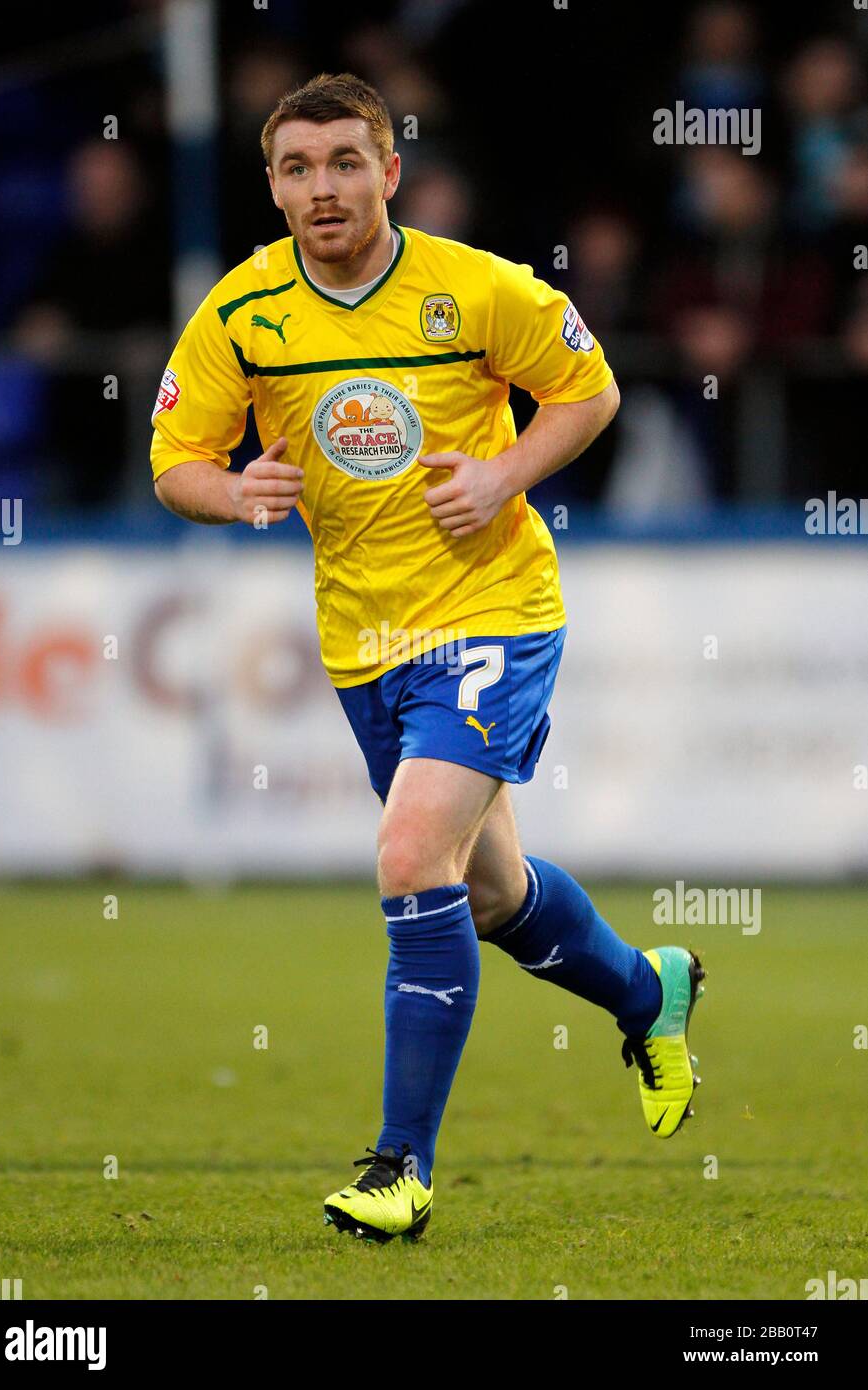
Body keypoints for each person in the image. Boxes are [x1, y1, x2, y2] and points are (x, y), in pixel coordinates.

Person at [151, 72, 705, 1244]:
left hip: (495, 612)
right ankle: (652, 993)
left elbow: (588, 389)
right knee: (489, 892)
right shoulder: (244, 314)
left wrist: (503, 475)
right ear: (273, 186)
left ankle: (399, 1166)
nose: (322, 190)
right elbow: (174, 459)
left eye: (346, 162)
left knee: (408, 853)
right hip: (365, 643)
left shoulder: (475, 288)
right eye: (297, 169)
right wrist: (230, 489)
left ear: (390, 172)